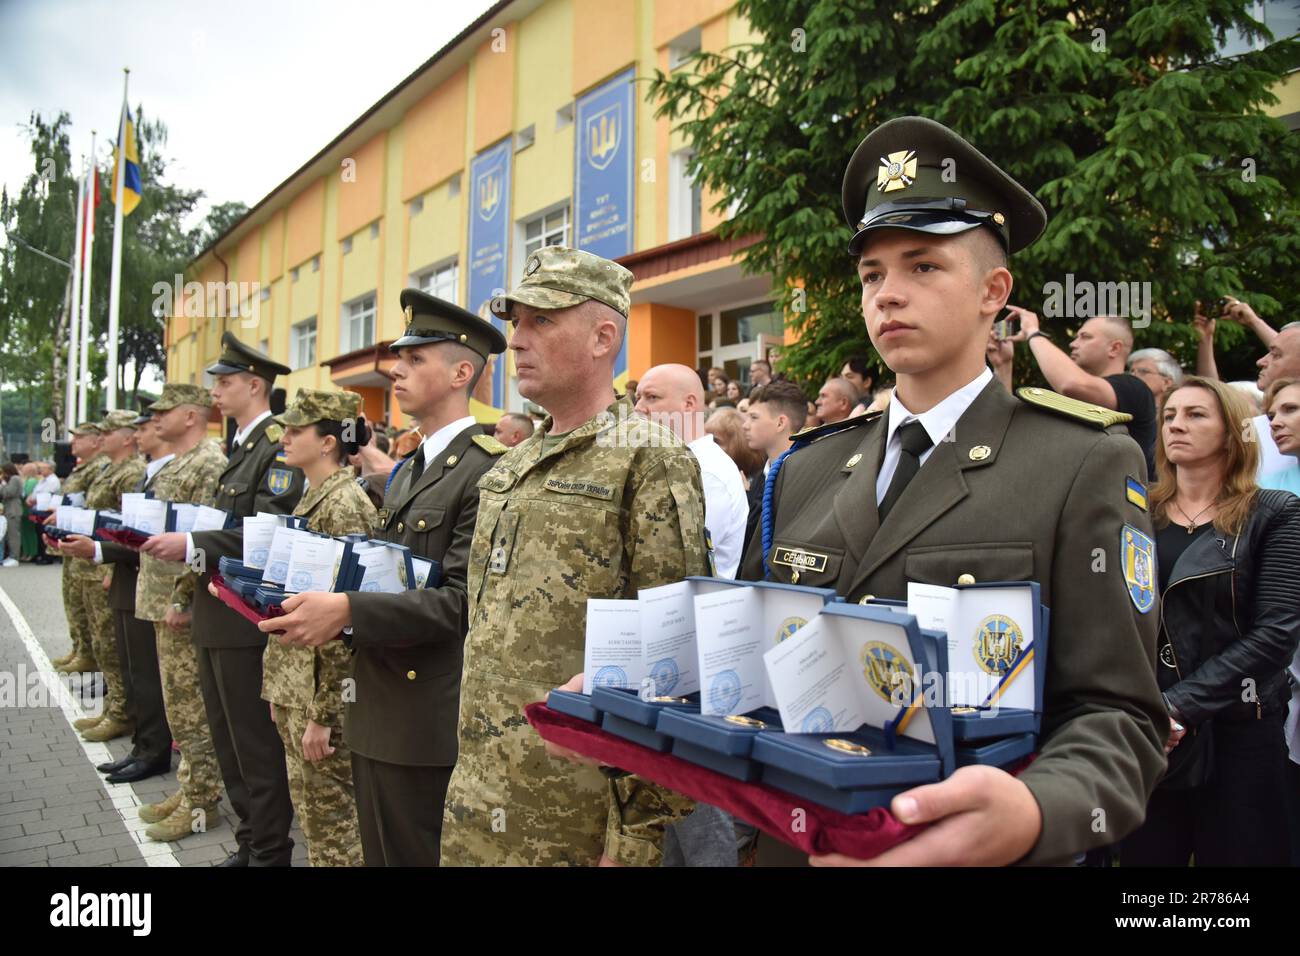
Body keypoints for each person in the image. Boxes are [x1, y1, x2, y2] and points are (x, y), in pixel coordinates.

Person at [741, 115, 1166, 866]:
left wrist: (1037, 811)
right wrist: (626, 703)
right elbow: (744, 662)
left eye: (923, 267)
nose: (887, 295)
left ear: (992, 291)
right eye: (872, 275)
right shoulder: (804, 467)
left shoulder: (1079, 462)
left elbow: (1120, 718)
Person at [440, 246, 706, 867]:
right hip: (482, 787)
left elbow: (675, 651)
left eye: (542, 321)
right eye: (515, 322)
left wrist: (636, 835)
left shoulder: (650, 458)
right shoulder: (513, 463)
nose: (517, 341)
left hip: (579, 815)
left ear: (602, 336)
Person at [263, 290, 507, 866]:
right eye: (400, 356)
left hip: (425, 715)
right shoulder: (408, 471)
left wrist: (348, 611)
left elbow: (463, 605)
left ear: (461, 372)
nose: (396, 369)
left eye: (416, 359)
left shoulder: (485, 470)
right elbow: (391, 574)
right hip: (375, 703)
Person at [1120, 376, 1300, 866]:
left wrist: (1179, 705)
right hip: (1149, 729)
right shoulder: (1134, 514)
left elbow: (1277, 633)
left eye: (1196, 414)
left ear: (1233, 432)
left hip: (1240, 728)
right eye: (1171, 415)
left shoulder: (1275, 513)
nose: (1177, 424)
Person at [141, 334, 303, 867]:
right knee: (227, 739)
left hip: (242, 616)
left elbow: (270, 531)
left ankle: (270, 852)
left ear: (255, 385)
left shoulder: (276, 443)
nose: (215, 391)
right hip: (217, 610)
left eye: (225, 381)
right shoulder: (239, 448)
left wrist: (191, 544)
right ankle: (250, 841)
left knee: (253, 745)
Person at [253, 388, 375, 867]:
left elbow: (347, 623)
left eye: (296, 430)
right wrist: (281, 692)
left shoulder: (344, 505)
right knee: (314, 820)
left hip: (319, 698)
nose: (284, 438)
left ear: (328, 442)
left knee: (335, 830)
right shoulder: (315, 496)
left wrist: (323, 713)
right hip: (296, 688)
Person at [131, 385, 229, 842]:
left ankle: (202, 800)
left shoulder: (209, 464)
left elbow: (205, 540)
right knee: (178, 704)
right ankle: (190, 785)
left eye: (163, 411)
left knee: (191, 706)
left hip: (178, 600)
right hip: (158, 594)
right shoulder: (175, 462)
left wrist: (184, 598)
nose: (155, 419)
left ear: (190, 416)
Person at [77, 403, 175, 784]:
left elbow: (155, 536)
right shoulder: (149, 472)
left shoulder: (161, 469)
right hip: (133, 576)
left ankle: (152, 750)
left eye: (147, 426)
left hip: (152, 582)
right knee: (136, 669)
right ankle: (142, 744)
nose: (141, 433)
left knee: (149, 675)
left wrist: (102, 551)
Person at [53, 411, 145, 743]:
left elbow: (125, 528)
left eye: (108, 432)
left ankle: (122, 713)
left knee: (111, 645)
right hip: (91, 562)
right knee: (104, 643)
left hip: (104, 566)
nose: (100, 437)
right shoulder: (109, 469)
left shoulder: (132, 472)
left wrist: (109, 567)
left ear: (127, 437)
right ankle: (114, 708)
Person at [1007, 310, 1157, 478]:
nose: (1073, 343)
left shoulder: (1134, 388)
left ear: (1114, 348)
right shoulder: (1081, 397)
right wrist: (1003, 364)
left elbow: (1072, 384)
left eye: (1085, 337)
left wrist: (1033, 333)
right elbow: (1009, 424)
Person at [635, 363, 748, 578]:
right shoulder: (675, 461)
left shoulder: (708, 471)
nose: (638, 407)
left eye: (652, 397)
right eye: (638, 397)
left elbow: (674, 559)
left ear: (688, 404)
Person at [1193, 300, 1300, 492]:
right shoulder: (1249, 428)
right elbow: (1213, 399)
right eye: (1272, 416)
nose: (1275, 424)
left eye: (1291, 409)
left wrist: (1255, 322)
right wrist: (1206, 339)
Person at [48, 423, 108, 673]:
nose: (74, 442)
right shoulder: (82, 467)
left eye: (80, 438)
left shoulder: (100, 468)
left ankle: (88, 653)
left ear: (95, 441)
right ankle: (81, 648)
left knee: (89, 609)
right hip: (76, 543)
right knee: (74, 601)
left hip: (91, 548)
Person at [742, 379, 808, 557]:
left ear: (780, 423)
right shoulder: (759, 476)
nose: (745, 425)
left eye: (754, 417)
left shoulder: (805, 477)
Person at [1, 463, 21, 566]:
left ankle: (15, 557)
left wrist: (3, 484)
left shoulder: (14, 479)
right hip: (8, 509)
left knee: (13, 534)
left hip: (13, 510)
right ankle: (11, 555)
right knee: (8, 534)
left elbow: (9, 493)